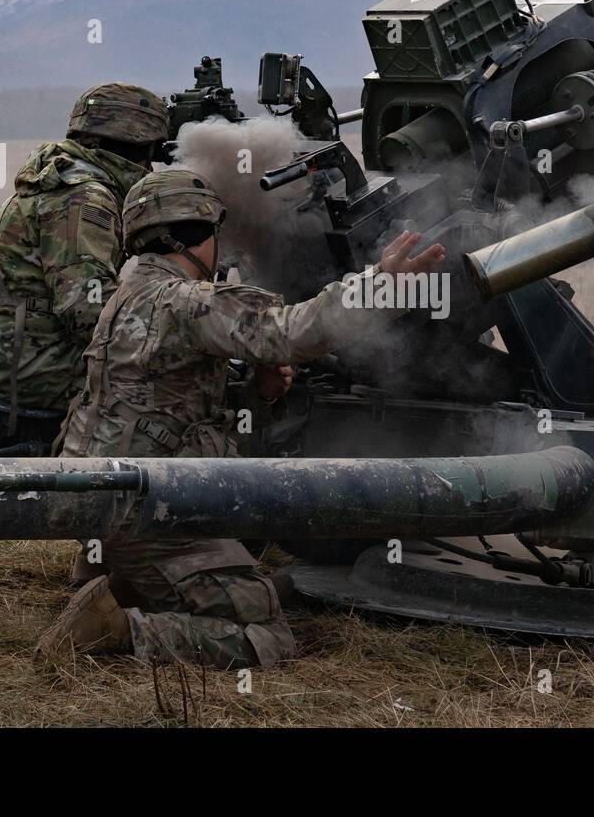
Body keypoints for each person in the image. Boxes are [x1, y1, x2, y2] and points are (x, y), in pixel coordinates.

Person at [37, 168, 446, 669]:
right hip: (155, 511)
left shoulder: (124, 297)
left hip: (102, 499)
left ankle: (121, 580)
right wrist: (381, 286)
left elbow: (161, 395)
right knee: (267, 635)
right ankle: (116, 628)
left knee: (246, 564)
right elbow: (293, 331)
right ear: (191, 236)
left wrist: (259, 390)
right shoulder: (186, 301)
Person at [0, 83, 169, 439]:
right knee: (178, 392)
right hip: (35, 369)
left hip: (5, 358)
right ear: (138, 147)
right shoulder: (85, 197)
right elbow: (89, 311)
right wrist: (172, 338)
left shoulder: (59, 179)